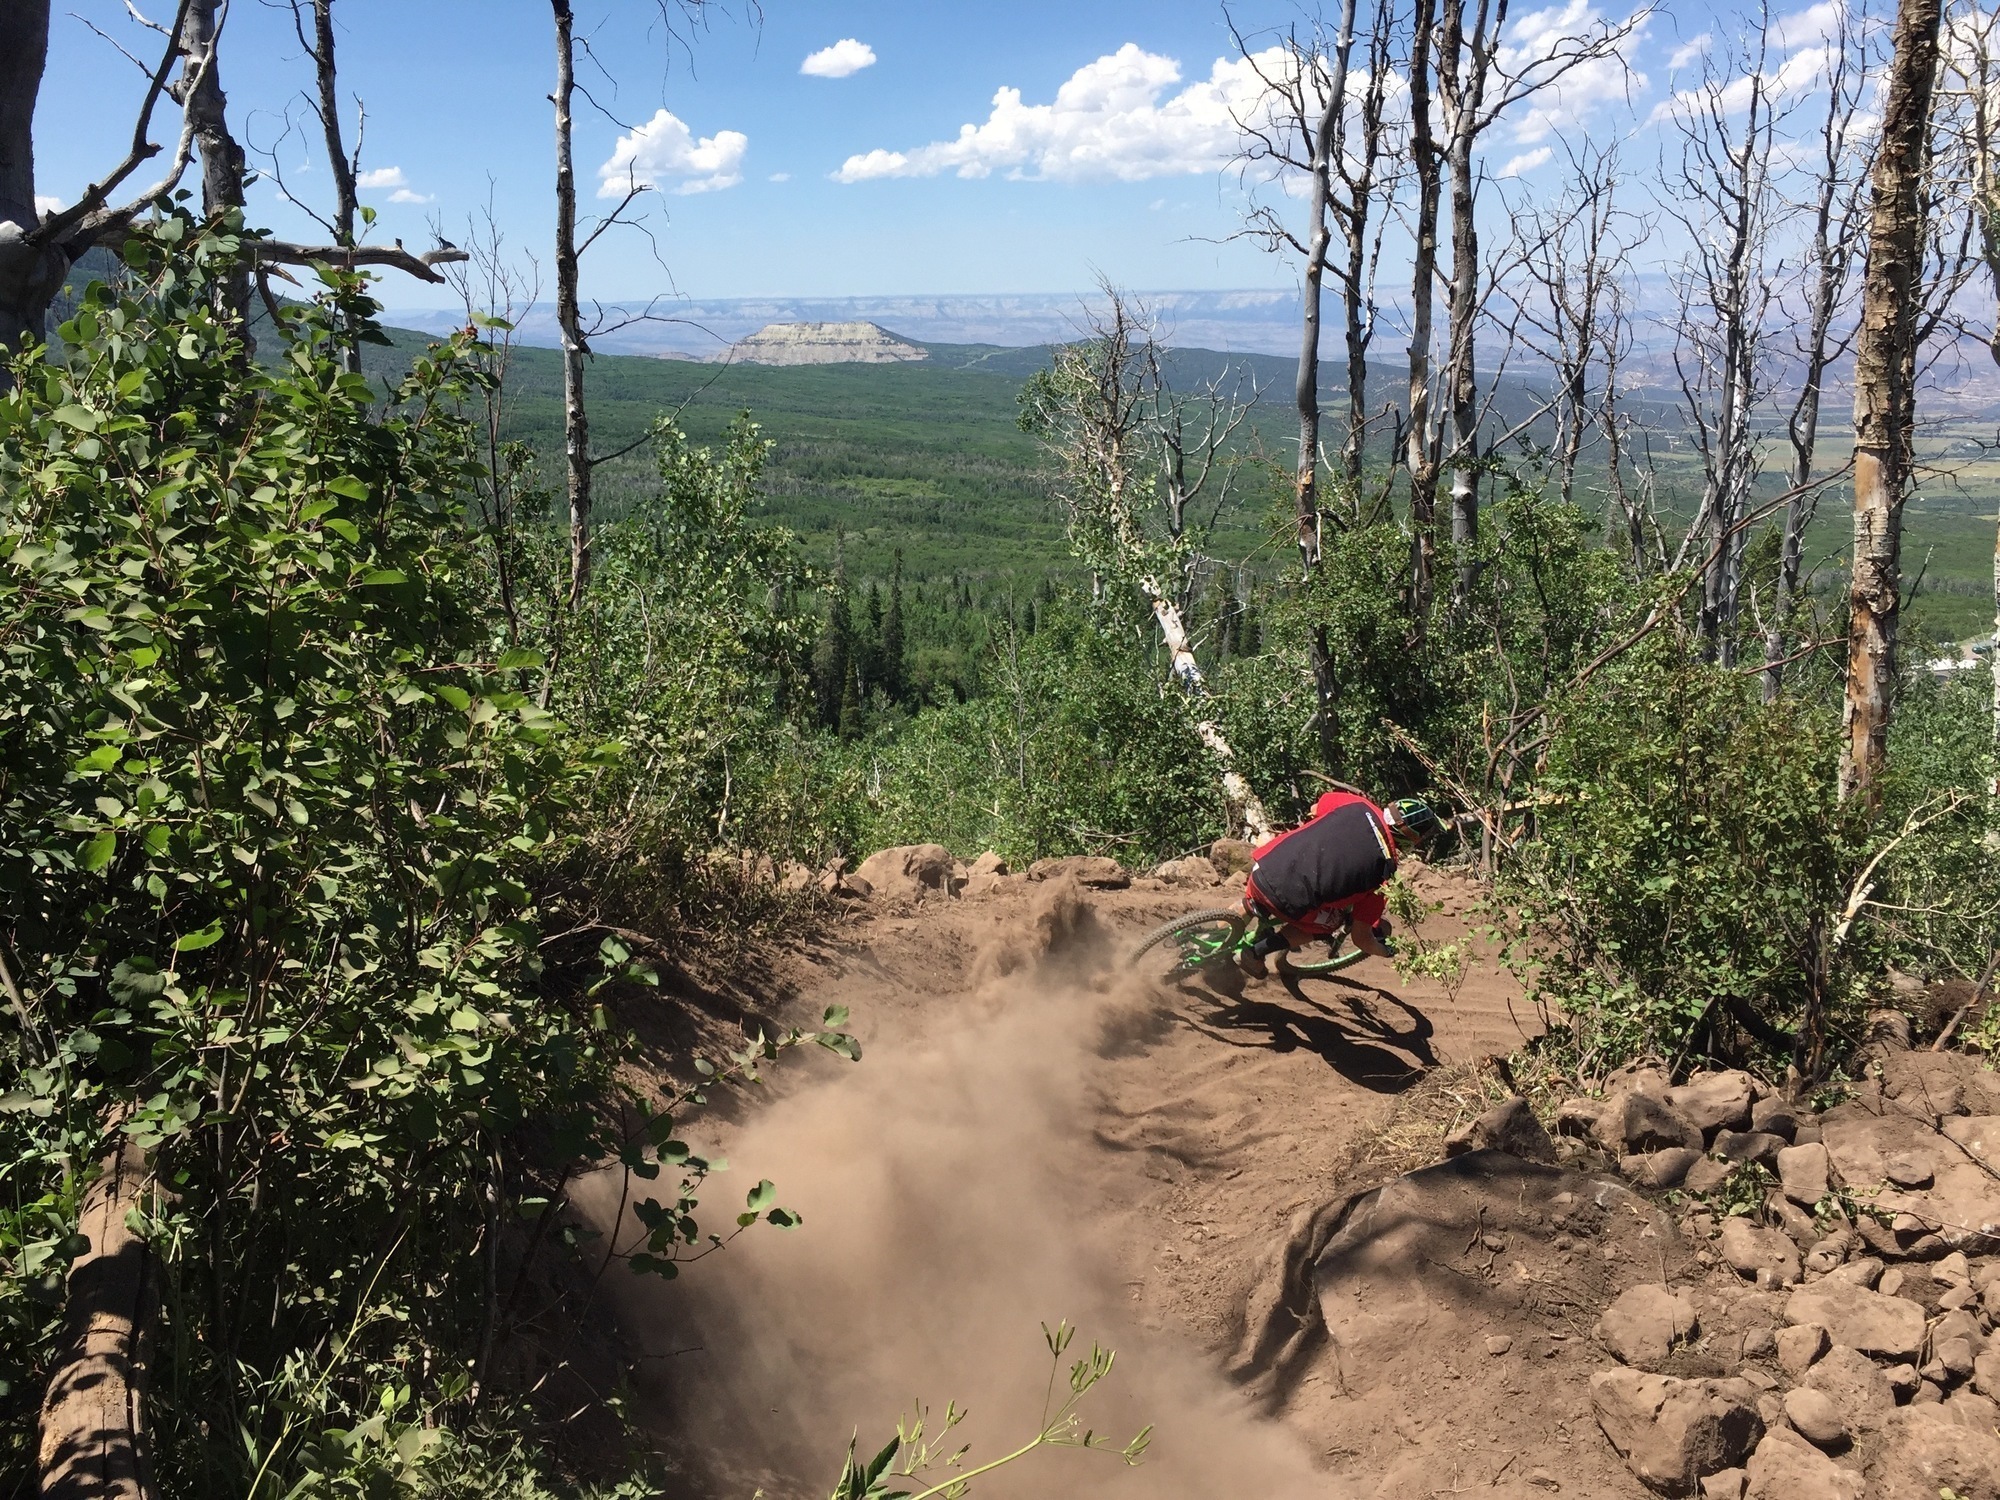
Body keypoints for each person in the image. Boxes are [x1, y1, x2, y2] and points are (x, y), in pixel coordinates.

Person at [1235, 790, 1444, 978]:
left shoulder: (1358, 804)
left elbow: (1315, 808)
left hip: (1264, 866)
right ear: (1410, 838)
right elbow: (1361, 938)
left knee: (1250, 901)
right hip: (1284, 901)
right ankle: (1256, 953)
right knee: (1332, 922)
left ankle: (1225, 928)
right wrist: (1385, 951)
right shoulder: (1384, 871)